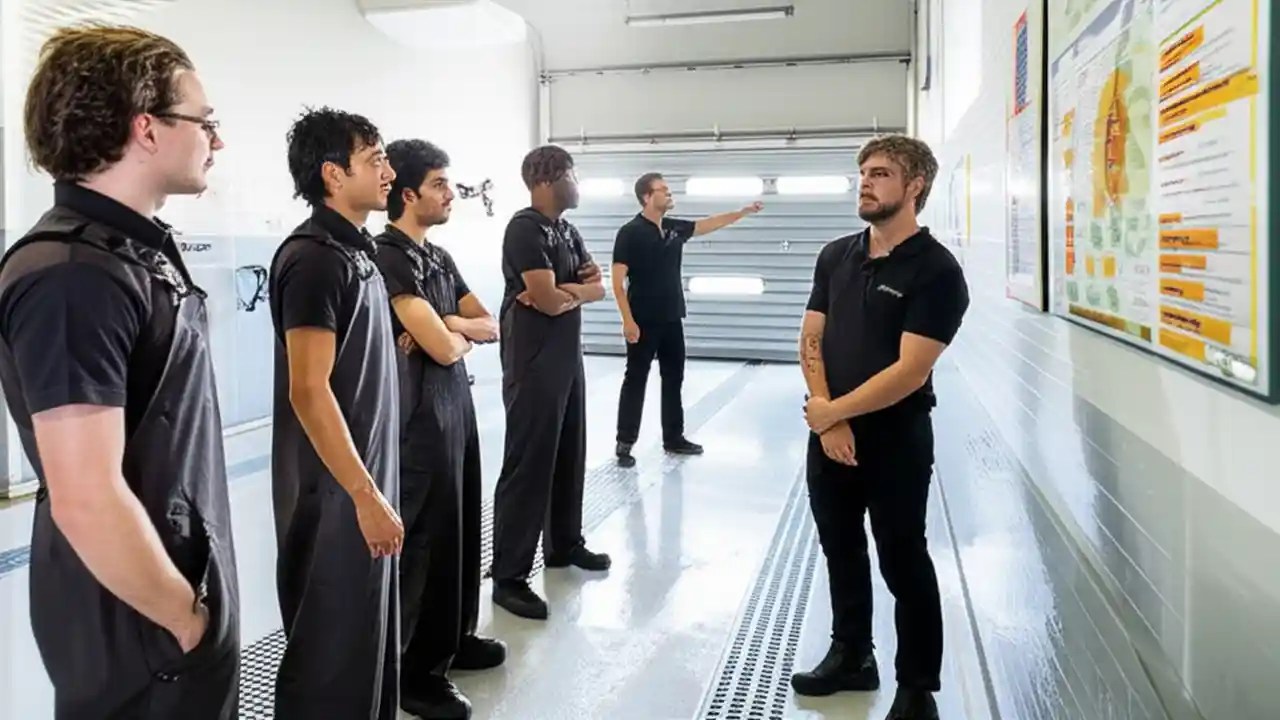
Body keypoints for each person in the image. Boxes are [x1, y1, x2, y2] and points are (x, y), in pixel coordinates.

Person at [0, 26, 238, 719]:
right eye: (205, 122)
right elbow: (85, 497)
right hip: (139, 617)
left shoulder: (130, 255)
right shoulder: (73, 277)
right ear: (147, 129)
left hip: (167, 589)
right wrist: (186, 618)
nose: (215, 141)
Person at [793, 135, 968, 720]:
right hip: (830, 434)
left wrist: (836, 412)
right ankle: (851, 656)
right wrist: (824, 415)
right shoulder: (836, 254)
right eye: (862, 173)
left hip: (895, 439)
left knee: (902, 557)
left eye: (881, 173)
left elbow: (910, 371)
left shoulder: (938, 271)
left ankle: (917, 688)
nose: (865, 182)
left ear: (915, 186)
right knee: (840, 550)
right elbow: (811, 335)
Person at [269, 107, 405, 719]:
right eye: (374, 160)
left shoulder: (357, 252)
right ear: (332, 173)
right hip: (334, 492)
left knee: (363, 646)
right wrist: (364, 494)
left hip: (364, 477)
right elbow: (308, 388)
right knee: (329, 649)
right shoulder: (314, 258)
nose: (389, 172)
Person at [374, 139, 506, 720]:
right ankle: (415, 672)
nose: (451, 193)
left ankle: (455, 638)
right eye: (439, 185)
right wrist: (454, 335)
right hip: (417, 419)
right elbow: (440, 348)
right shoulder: (389, 255)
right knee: (425, 542)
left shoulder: (439, 257)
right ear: (408, 194)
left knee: (462, 526)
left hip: (457, 410)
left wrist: (450, 325)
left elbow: (489, 324)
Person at [490, 145, 608, 620]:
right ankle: (510, 576)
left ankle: (563, 544)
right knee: (529, 464)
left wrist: (573, 292)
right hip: (533, 362)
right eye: (573, 174)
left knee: (568, 453)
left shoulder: (567, 230)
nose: (578, 184)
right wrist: (572, 293)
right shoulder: (524, 229)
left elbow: (592, 288)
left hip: (566, 359)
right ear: (549, 177)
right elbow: (545, 298)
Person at [611, 173, 764, 467]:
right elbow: (618, 282)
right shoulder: (629, 233)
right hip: (642, 320)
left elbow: (709, 223)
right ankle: (625, 442)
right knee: (636, 379)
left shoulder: (672, 228)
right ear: (646, 197)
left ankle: (674, 437)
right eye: (663, 190)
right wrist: (627, 321)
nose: (669, 194)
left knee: (674, 378)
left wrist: (742, 213)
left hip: (672, 318)